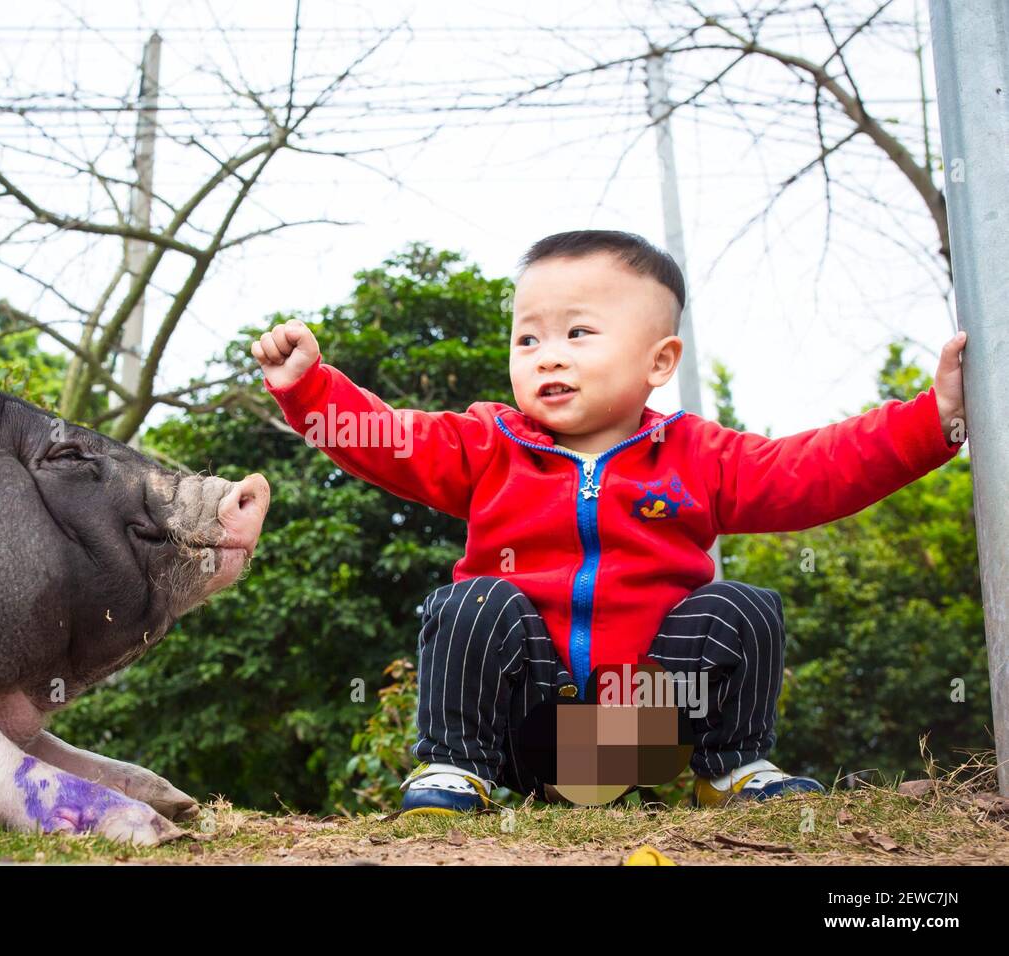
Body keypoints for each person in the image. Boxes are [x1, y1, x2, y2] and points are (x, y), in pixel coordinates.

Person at [253, 230, 969, 814]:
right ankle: (454, 770)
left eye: (578, 333)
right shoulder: (488, 444)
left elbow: (812, 470)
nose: (548, 355)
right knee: (473, 599)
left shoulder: (695, 454)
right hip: (521, 727)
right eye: (527, 340)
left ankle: (731, 770)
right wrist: (310, 389)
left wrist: (931, 421)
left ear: (659, 361)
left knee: (742, 607)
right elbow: (390, 440)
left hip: (640, 728)